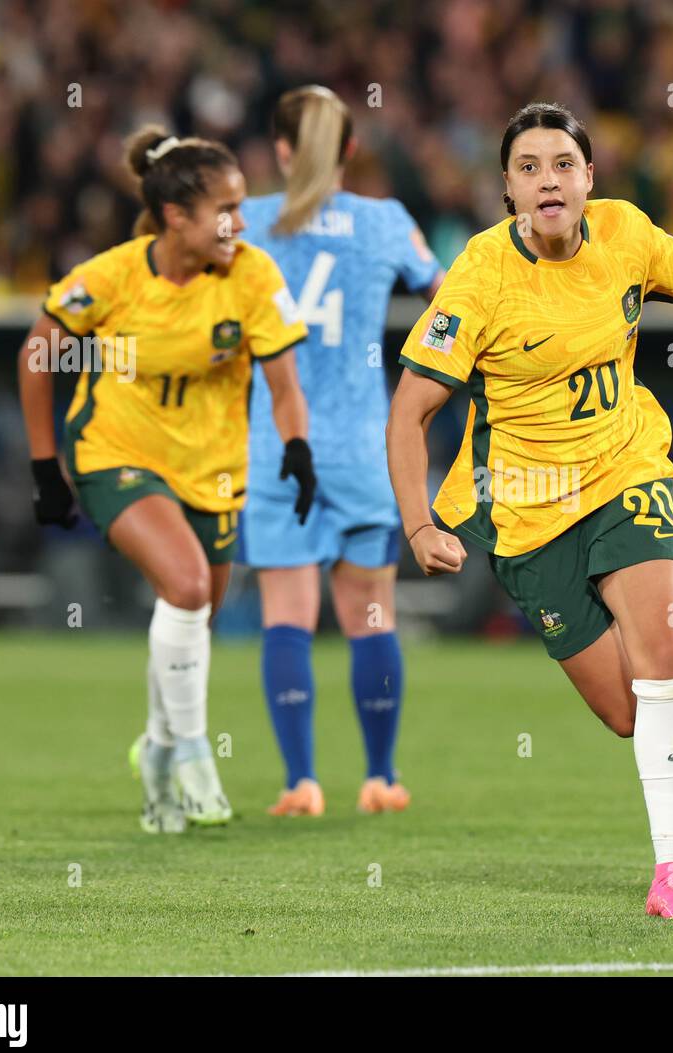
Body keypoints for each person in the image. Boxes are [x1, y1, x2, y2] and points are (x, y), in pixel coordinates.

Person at [386, 102, 673, 921]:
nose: (548, 179)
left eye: (563, 164)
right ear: (507, 188)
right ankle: (667, 812)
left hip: (625, 471)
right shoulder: (477, 276)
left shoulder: (628, 235)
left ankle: (672, 873)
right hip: (525, 514)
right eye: (529, 166)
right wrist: (421, 523)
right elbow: (409, 413)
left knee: (665, 658)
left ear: (589, 179)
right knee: (624, 710)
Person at [18, 127, 314, 833]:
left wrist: (298, 447)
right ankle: (190, 751)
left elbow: (283, 385)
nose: (241, 223)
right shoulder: (112, 278)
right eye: (227, 209)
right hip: (115, 450)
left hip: (211, 468)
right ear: (177, 215)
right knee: (183, 587)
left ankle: (153, 750)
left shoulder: (253, 274)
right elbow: (37, 354)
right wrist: (43, 465)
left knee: (194, 619)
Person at [239, 85, 443, 817]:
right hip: (364, 443)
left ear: (281, 151)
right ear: (351, 150)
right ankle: (381, 776)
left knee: (286, 615)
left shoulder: (248, 222)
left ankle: (300, 781)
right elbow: (447, 299)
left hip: (275, 441)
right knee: (373, 615)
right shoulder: (384, 222)